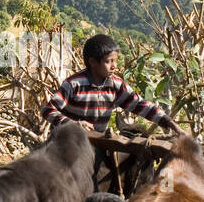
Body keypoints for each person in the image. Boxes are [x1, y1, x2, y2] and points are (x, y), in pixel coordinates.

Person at [41, 33, 175, 134]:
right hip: (68, 142)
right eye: (108, 61)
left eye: (115, 61)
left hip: (98, 143)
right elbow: (48, 110)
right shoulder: (74, 84)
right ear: (93, 62)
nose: (114, 66)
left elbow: (140, 105)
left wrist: (169, 123)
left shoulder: (115, 85)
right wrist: (74, 124)